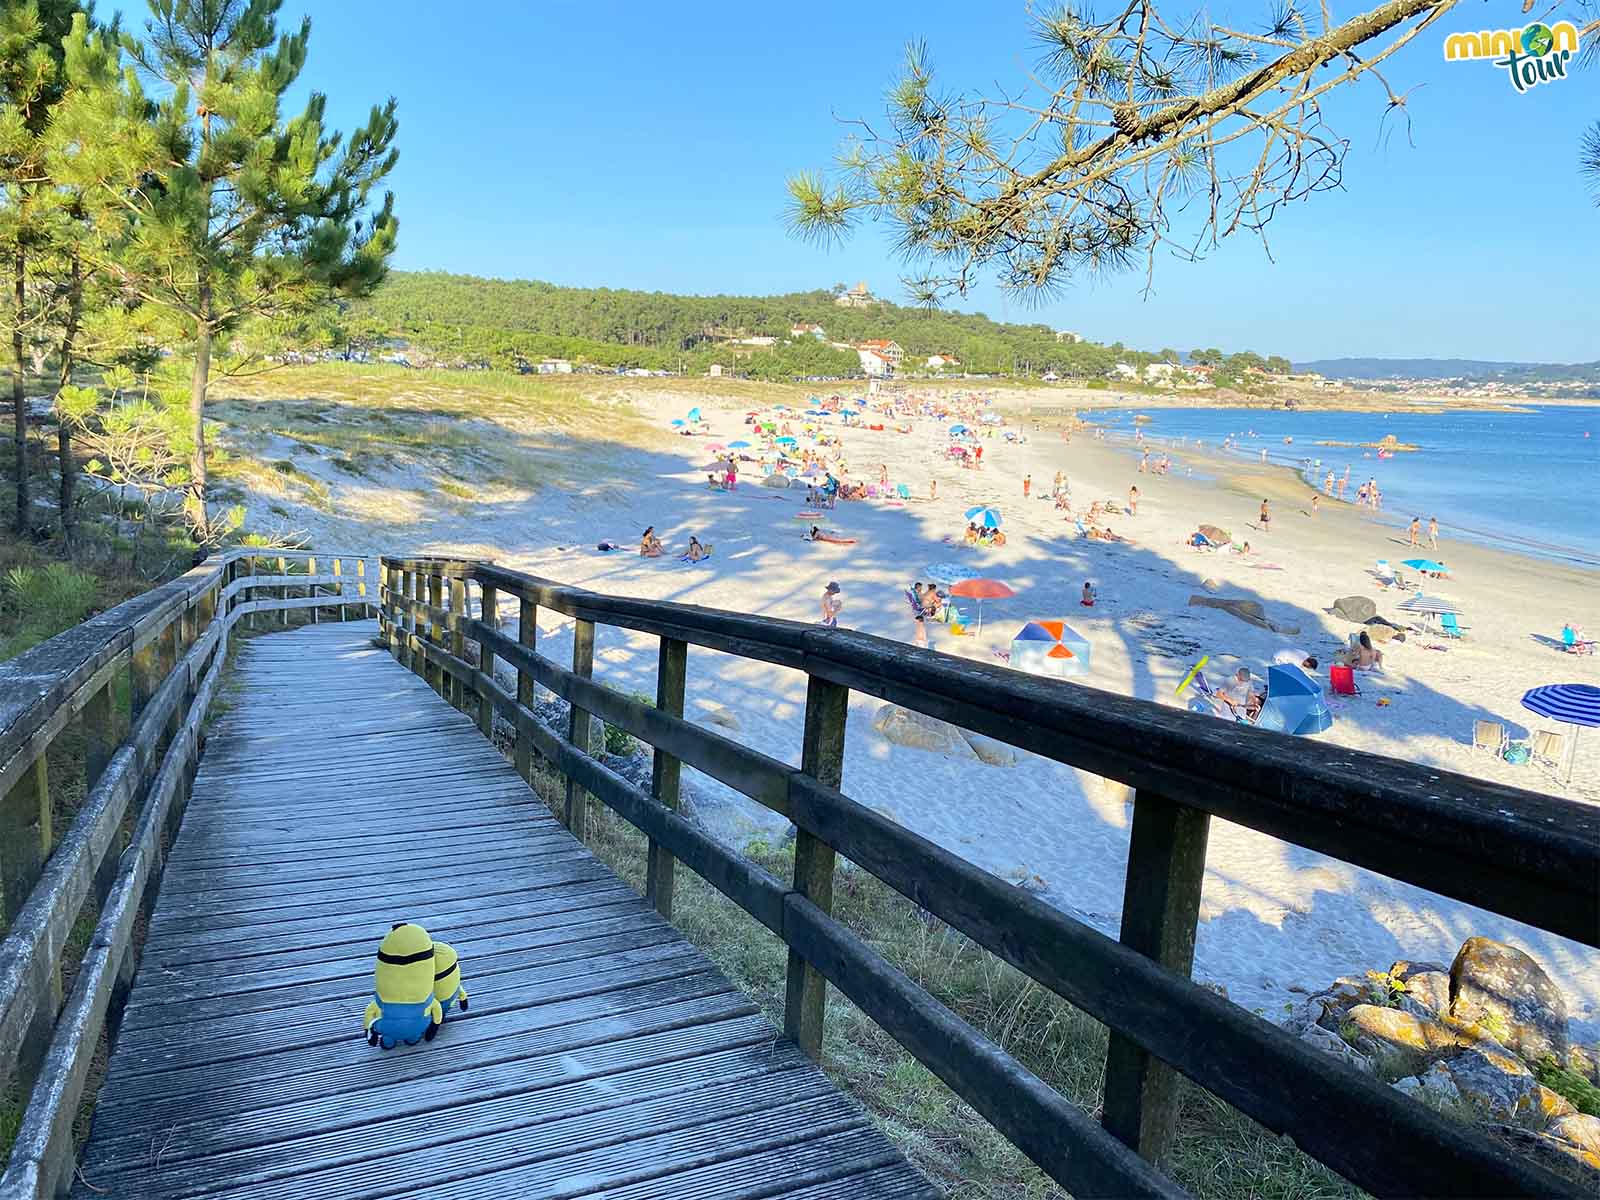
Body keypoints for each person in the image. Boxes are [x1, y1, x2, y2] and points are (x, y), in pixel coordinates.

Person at [907, 583, 930, 648]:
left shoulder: (915, 592)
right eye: (920, 587)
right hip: (918, 609)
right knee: (921, 626)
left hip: (917, 608)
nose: (921, 588)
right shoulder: (916, 594)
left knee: (920, 626)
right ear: (918, 587)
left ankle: (920, 640)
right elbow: (919, 601)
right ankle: (922, 641)